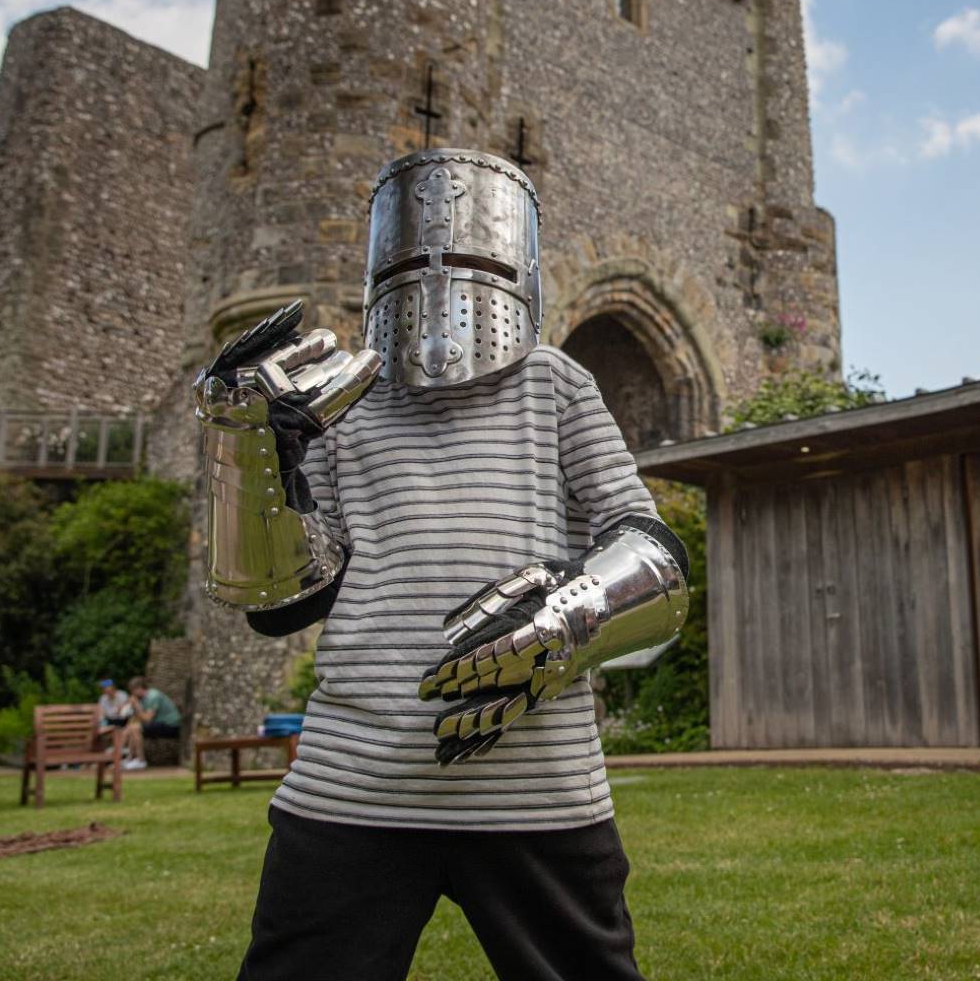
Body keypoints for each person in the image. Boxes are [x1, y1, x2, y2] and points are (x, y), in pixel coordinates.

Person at [193, 149, 690, 981]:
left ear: (517, 266)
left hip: (540, 787)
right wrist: (250, 453)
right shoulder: (336, 402)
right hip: (353, 785)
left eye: (474, 258)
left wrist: (565, 620)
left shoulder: (558, 384)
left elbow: (648, 543)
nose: (440, 277)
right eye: (414, 259)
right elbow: (282, 604)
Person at [121, 675, 181, 771]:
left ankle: (141, 761)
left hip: (170, 725)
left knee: (135, 728)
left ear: (139, 688)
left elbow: (147, 719)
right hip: (158, 723)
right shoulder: (143, 698)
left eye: (132, 691)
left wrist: (136, 706)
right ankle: (129, 759)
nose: (132, 694)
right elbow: (140, 718)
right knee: (131, 727)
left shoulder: (153, 696)